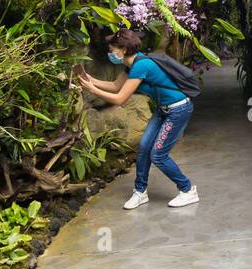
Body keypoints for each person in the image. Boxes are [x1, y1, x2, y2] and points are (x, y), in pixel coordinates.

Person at [76, 31, 199, 210]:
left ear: (123, 49)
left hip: (178, 109)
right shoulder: (132, 65)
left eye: (112, 50)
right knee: (144, 148)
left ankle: (187, 190)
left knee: (158, 155)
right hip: (163, 110)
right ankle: (140, 192)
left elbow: (119, 98)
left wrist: (91, 90)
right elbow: (115, 85)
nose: (110, 53)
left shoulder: (142, 65)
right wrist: (89, 80)